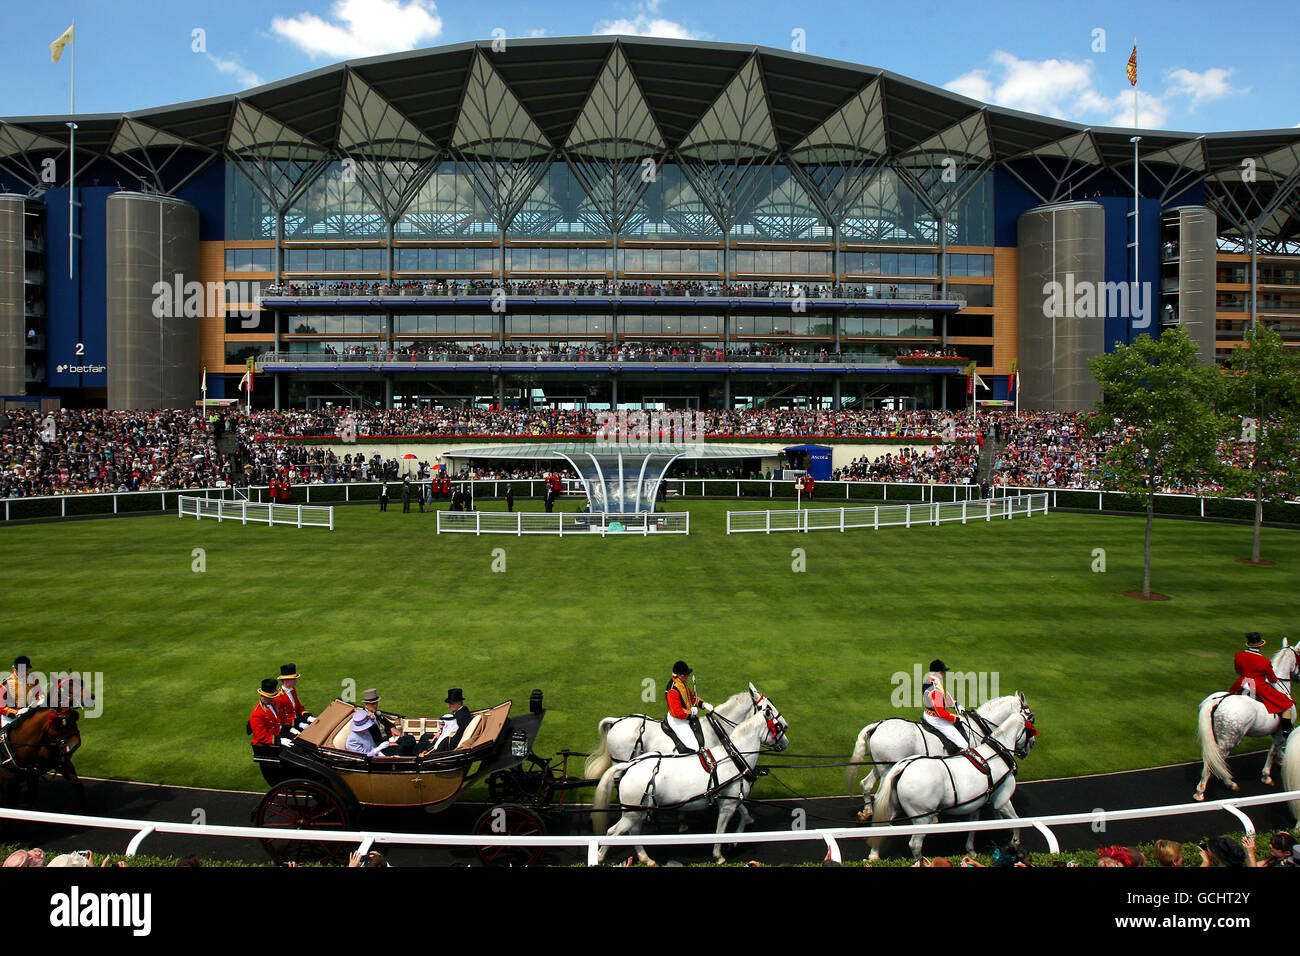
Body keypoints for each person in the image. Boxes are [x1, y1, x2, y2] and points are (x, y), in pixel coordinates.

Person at [1230, 632, 1295, 734]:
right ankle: (1286, 729)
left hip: (1242, 684)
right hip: (1258, 686)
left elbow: (1238, 671)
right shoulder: (1264, 661)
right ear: (1260, 646)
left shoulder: (1239, 655)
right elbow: (1272, 679)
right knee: (1286, 703)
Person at [664, 661, 712, 754]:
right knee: (694, 747)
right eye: (686, 675)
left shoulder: (681, 684)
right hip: (677, 720)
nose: (688, 676)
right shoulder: (673, 690)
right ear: (679, 675)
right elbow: (677, 712)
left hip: (685, 717)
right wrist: (691, 712)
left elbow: (692, 698)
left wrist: (703, 704)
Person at [922, 660, 968, 754]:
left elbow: (941, 699)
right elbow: (941, 713)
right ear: (936, 673)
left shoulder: (930, 680)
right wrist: (957, 718)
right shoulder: (935, 688)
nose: (945, 673)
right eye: (942, 672)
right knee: (964, 745)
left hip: (928, 713)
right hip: (935, 719)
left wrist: (955, 704)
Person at [1, 656, 44, 728]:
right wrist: (17, 712)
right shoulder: (5, 685)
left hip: (28, 714)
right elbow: (1, 707)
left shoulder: (33, 679)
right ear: (14, 668)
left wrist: (40, 700)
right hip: (10, 719)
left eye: (25, 670)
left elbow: (39, 694)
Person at [272, 663, 311, 731]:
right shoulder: (278, 698)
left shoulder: (292, 690)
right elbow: (281, 718)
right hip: (289, 726)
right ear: (286, 681)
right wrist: (297, 724)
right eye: (293, 679)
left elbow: (298, 706)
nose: (296, 681)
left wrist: (306, 716)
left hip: (298, 720)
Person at [249, 679, 283, 748]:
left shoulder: (273, 704)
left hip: (277, 736)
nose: (273, 699)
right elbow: (262, 736)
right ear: (263, 696)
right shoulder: (257, 714)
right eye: (270, 698)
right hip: (265, 745)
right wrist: (278, 740)